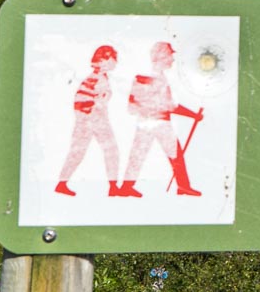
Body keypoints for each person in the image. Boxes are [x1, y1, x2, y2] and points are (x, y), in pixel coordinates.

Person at [117, 41, 204, 197]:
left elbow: (133, 104)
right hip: (160, 122)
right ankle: (183, 187)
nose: (172, 59)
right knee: (175, 155)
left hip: (145, 122)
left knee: (138, 155)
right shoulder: (157, 79)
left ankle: (126, 187)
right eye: (170, 55)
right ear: (162, 56)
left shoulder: (146, 76)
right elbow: (170, 106)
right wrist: (193, 115)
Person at [55, 45, 121, 196]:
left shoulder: (100, 77)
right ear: (103, 60)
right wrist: (90, 115)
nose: (115, 62)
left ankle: (62, 184)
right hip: (94, 120)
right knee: (109, 151)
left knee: (80, 152)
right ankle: (112, 187)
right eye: (113, 58)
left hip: (92, 120)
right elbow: (80, 101)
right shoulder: (95, 79)